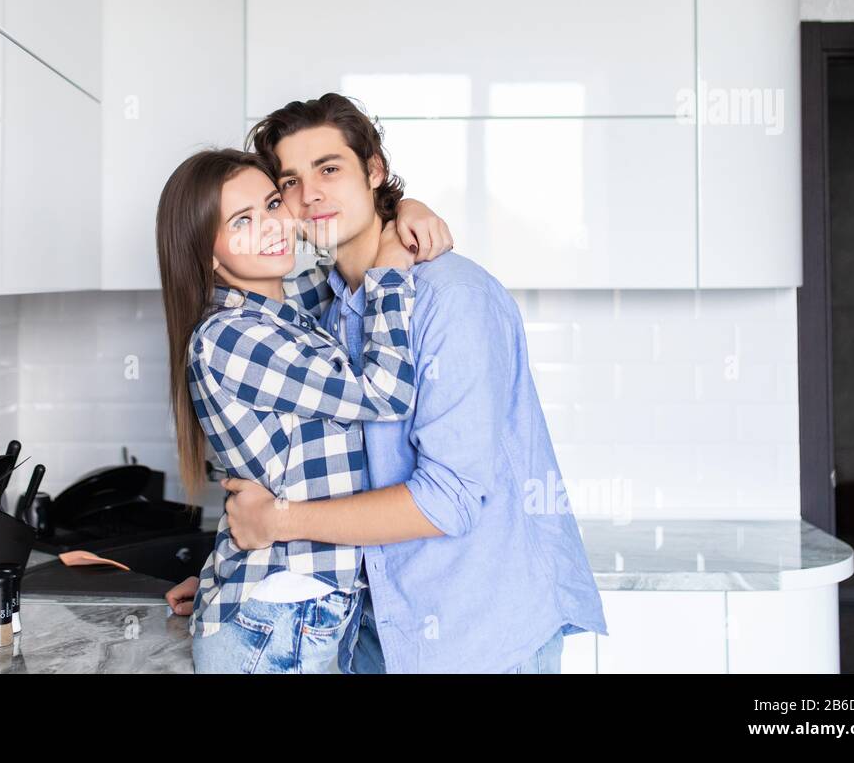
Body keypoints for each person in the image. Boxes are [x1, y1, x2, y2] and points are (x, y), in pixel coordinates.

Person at [168, 94, 608, 673]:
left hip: (475, 635)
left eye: (330, 169)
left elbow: (447, 498)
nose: (311, 196)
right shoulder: (325, 308)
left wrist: (278, 524)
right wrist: (232, 572)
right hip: (375, 623)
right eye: (290, 183)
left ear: (374, 171)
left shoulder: (451, 300)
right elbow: (302, 460)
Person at [155, 146, 452, 673]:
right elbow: (384, 394)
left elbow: (346, 265)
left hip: (302, 610)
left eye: (272, 205)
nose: (269, 226)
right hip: (277, 619)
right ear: (209, 254)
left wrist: (405, 210)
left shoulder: (284, 308)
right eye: (241, 221)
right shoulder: (233, 337)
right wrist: (390, 271)